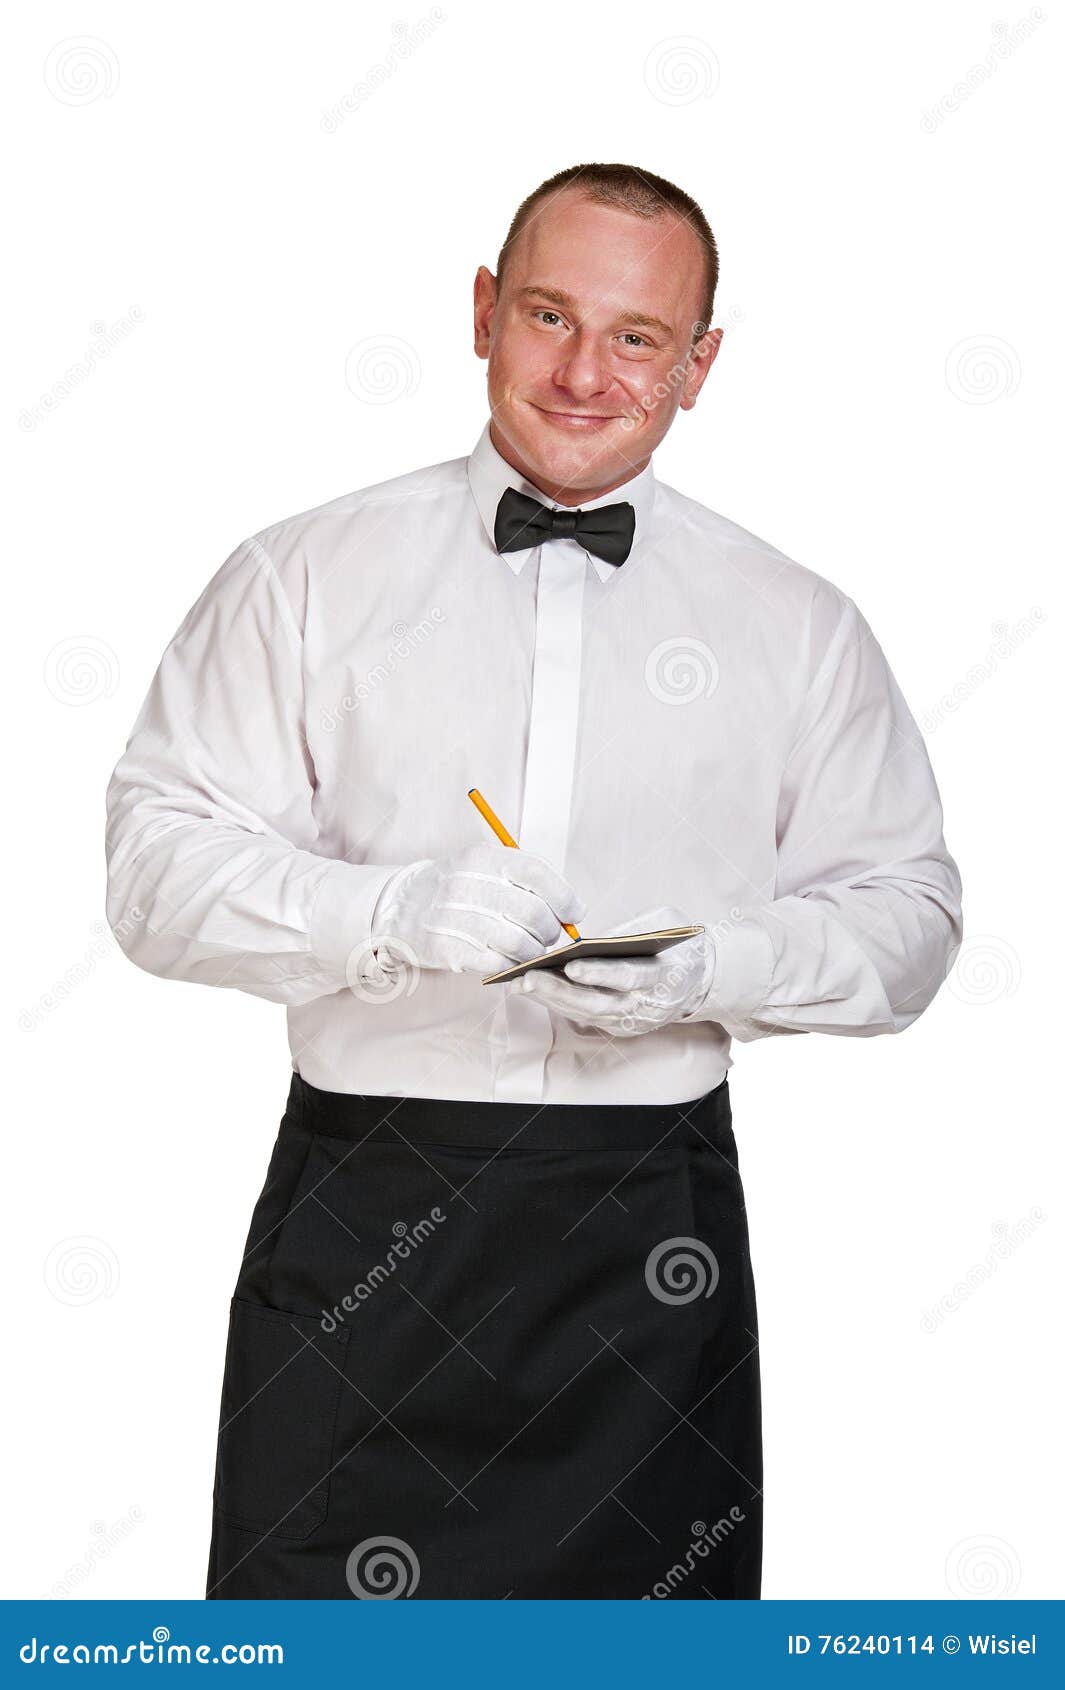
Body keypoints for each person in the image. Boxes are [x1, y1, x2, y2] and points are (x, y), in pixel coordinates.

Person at [103, 161, 963, 1600]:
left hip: (648, 1244)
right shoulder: (299, 574)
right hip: (363, 1221)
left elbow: (912, 921)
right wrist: (380, 913)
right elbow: (151, 869)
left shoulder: (797, 624)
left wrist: (713, 966)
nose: (580, 371)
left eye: (634, 337)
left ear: (697, 368)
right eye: (548, 315)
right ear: (485, 312)